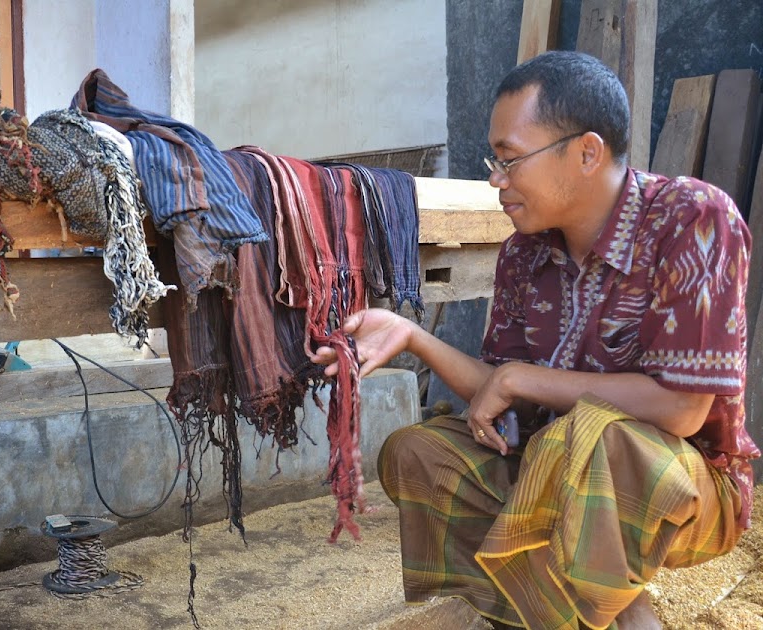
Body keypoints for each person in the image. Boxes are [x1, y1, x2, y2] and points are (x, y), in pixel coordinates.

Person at [314, 50, 758, 629]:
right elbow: (501, 385)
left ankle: (621, 614)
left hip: (687, 487)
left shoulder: (693, 218)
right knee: (418, 454)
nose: (496, 181)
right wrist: (413, 336)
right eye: (493, 161)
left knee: (593, 439)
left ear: (586, 152)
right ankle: (539, 608)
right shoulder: (523, 252)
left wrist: (526, 380)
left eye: (510, 161)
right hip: (551, 475)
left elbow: (682, 409)